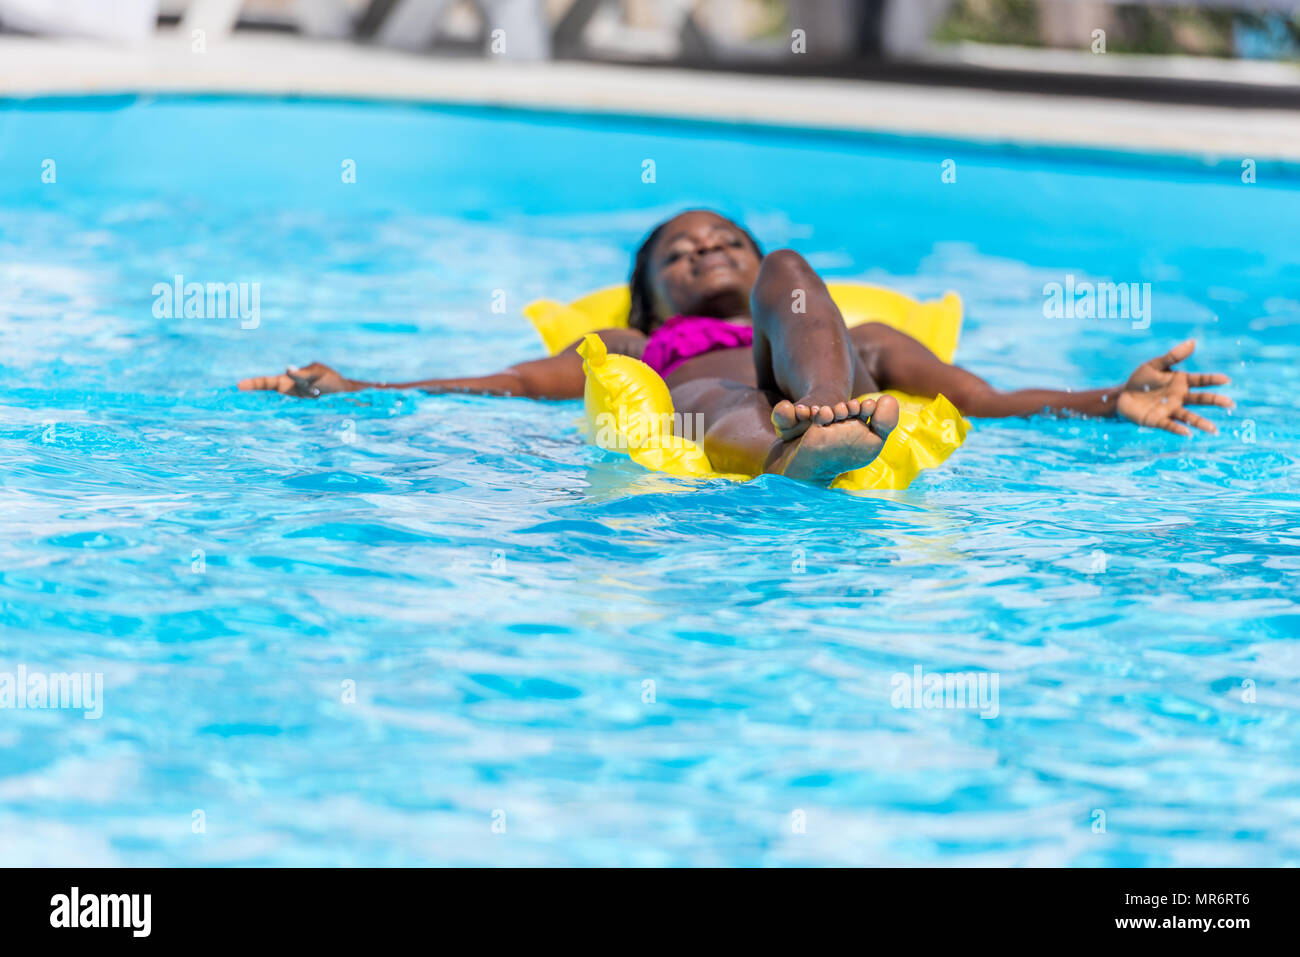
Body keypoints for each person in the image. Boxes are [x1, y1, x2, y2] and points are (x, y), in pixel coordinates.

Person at [239, 209, 1233, 486]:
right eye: (679, 254)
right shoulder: (635, 338)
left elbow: (982, 398)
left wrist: (1111, 398)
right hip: (729, 416)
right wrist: (358, 384)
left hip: (834, 388)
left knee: (798, 285)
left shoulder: (856, 328)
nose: (705, 253)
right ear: (650, 289)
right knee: (710, 403)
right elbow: (508, 384)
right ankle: (796, 455)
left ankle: (829, 420)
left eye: (726, 243)